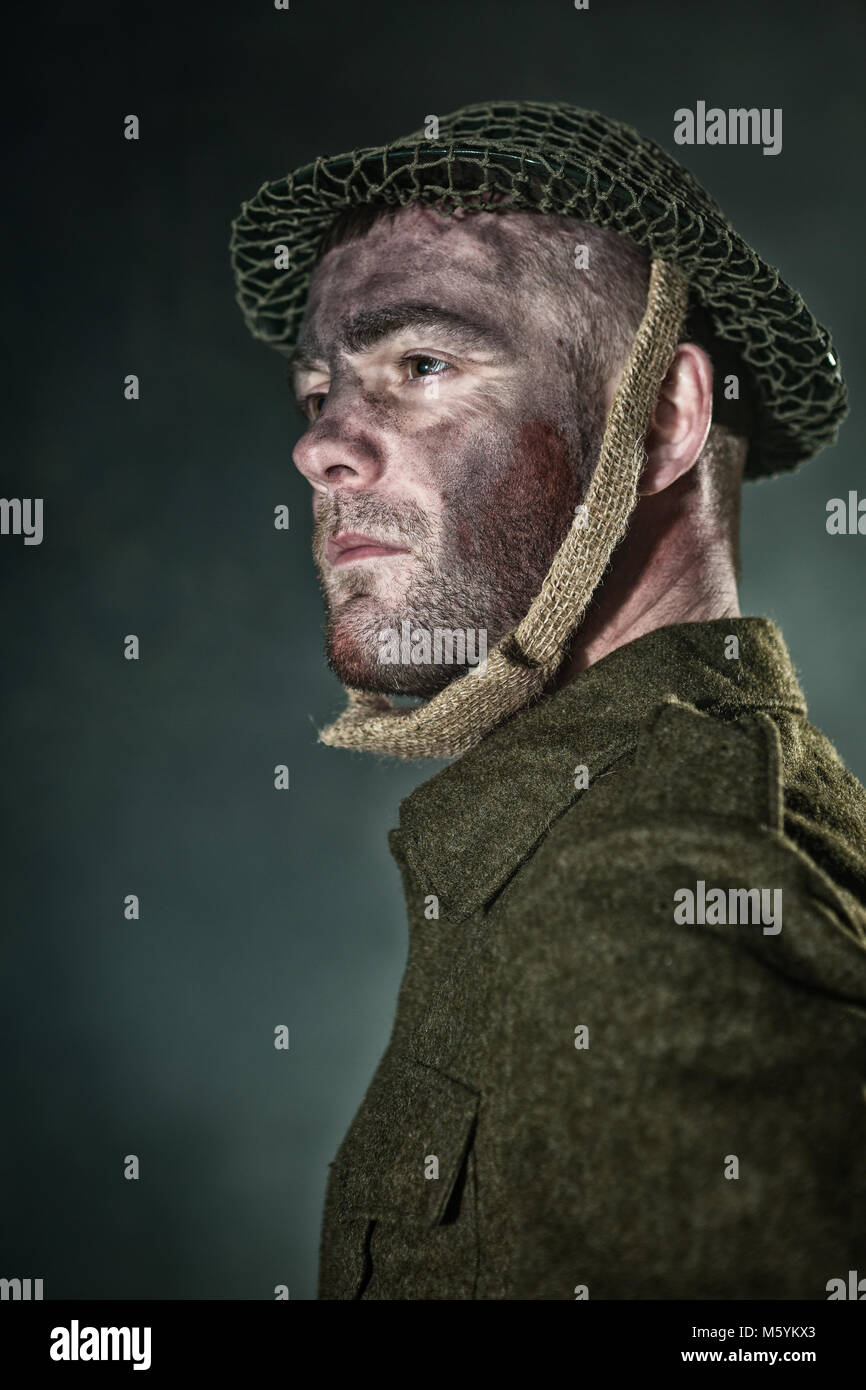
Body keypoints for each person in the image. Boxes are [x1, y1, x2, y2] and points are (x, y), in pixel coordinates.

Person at [231, 101, 866, 1299]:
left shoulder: (645, 888)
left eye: (420, 364)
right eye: (319, 391)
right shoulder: (644, 817)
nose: (321, 445)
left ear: (665, 416)